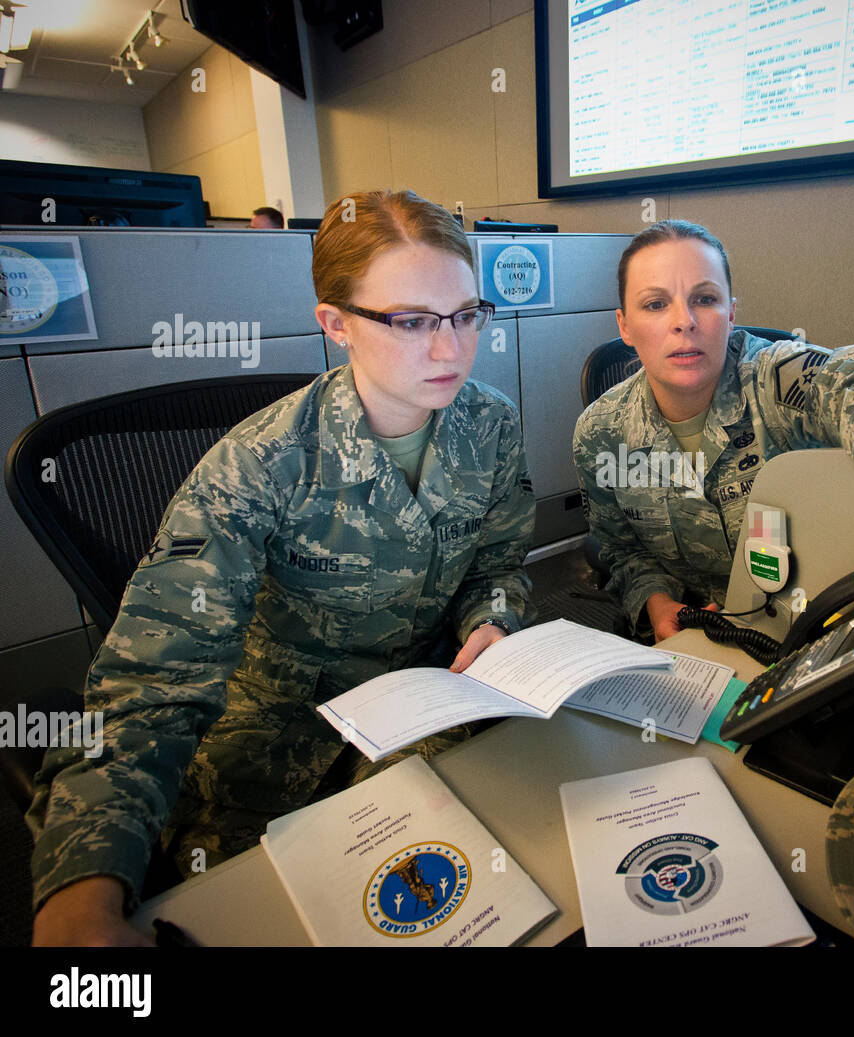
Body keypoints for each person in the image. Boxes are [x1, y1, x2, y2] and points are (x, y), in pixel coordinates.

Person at [29, 190, 534, 945]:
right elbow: (152, 683)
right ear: (335, 325)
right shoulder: (258, 464)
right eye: (411, 321)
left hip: (426, 703)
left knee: (499, 883)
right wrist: (81, 894)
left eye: (465, 315)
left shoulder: (488, 423)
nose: (450, 348)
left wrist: (491, 617)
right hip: (271, 733)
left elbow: (498, 559)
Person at [573, 220, 854, 642]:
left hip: (806, 631)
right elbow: (620, 552)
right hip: (693, 643)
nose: (684, 320)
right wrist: (655, 600)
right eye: (655, 304)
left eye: (705, 298)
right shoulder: (601, 433)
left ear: (731, 314)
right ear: (624, 325)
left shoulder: (775, 380)